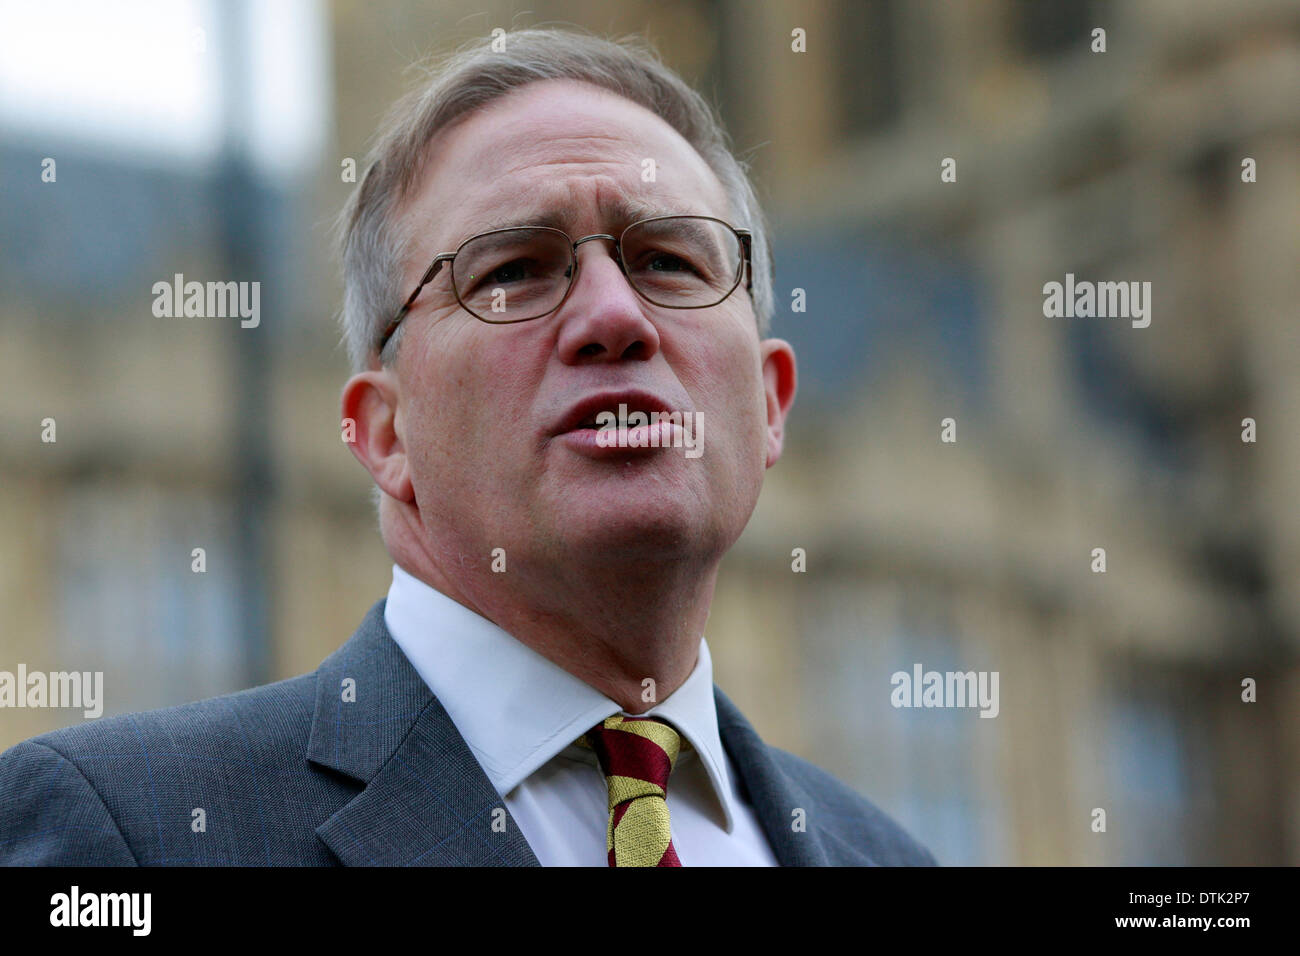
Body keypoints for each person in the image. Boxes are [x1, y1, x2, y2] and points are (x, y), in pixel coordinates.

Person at [0, 27, 935, 866]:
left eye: (668, 261)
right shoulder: (124, 830)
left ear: (771, 404)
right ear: (384, 431)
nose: (614, 315)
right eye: (515, 271)